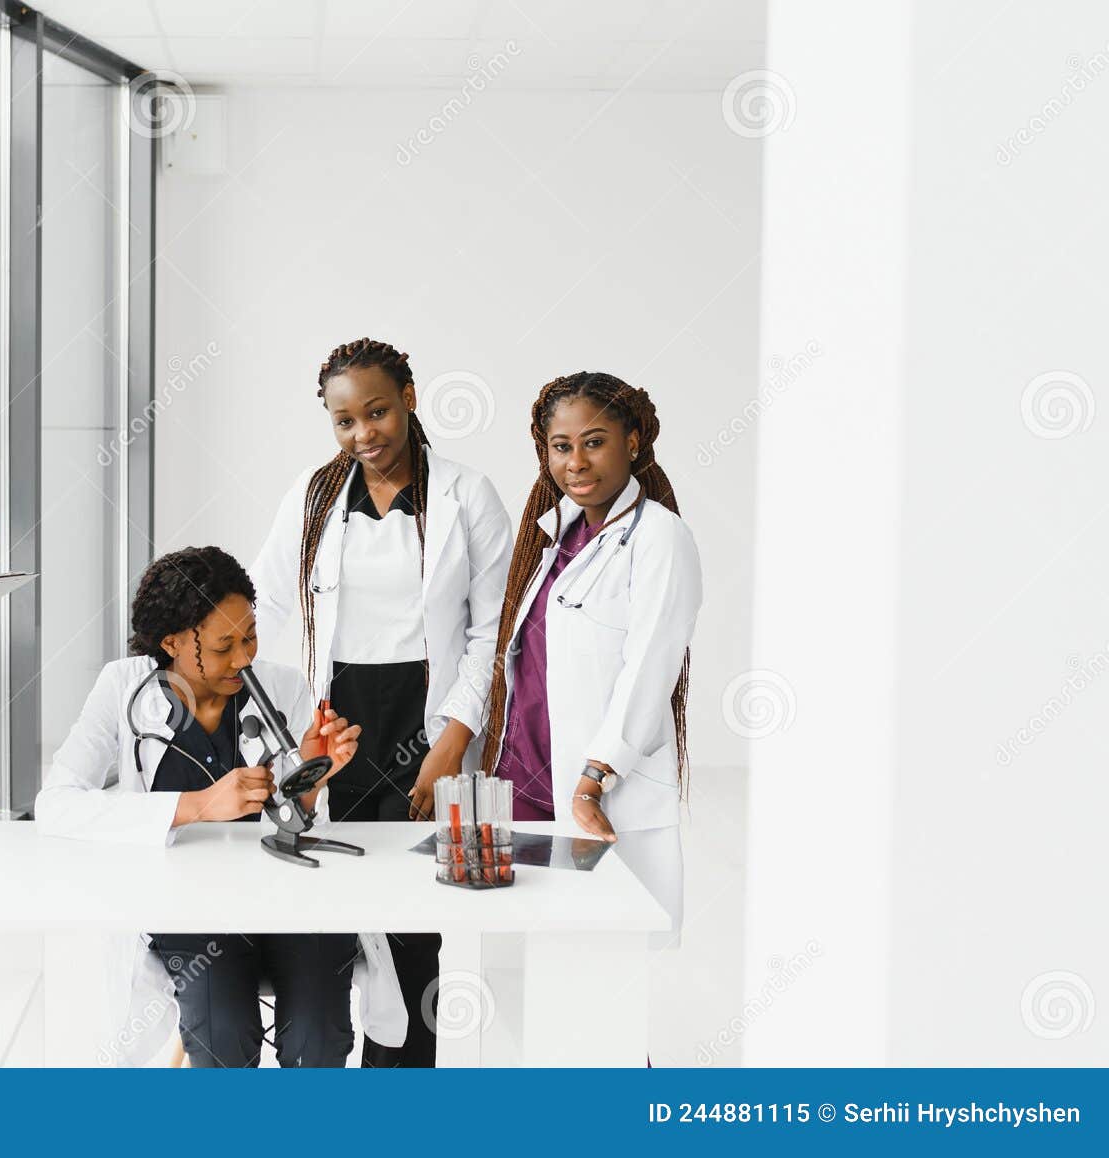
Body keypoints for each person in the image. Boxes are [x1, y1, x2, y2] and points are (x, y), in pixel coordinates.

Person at [35, 546, 407, 1067]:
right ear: (172, 643)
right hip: (190, 909)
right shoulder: (123, 688)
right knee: (224, 1031)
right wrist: (197, 805)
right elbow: (56, 805)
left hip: (290, 904)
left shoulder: (281, 687)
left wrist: (310, 778)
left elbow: (299, 824)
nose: (244, 658)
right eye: (224, 644)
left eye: (250, 635)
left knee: (318, 1035)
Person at [250, 337, 512, 1066]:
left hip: (428, 718)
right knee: (342, 903)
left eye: (378, 412)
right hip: (340, 725)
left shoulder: (468, 495)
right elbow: (270, 598)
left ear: (410, 400)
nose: (364, 433)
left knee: (413, 918)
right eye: (344, 420)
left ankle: (400, 1088)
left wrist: (451, 743)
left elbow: (494, 631)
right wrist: (296, 712)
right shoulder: (312, 495)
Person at [481, 371, 702, 948]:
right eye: (561, 446)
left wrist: (593, 779)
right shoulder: (552, 538)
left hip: (591, 792)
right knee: (525, 965)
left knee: (601, 970)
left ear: (632, 442)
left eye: (594, 441)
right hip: (523, 783)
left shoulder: (659, 537)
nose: (576, 461)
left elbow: (650, 667)